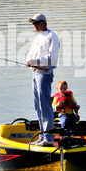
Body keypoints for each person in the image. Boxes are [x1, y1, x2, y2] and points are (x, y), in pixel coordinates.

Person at [26, 13, 60, 146]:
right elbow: (30, 54)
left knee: (45, 105)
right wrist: (29, 61)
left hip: (44, 75)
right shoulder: (37, 38)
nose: (34, 25)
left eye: (36, 23)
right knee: (38, 106)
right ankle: (42, 136)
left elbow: (53, 59)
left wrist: (36, 61)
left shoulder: (52, 36)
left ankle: (49, 139)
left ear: (44, 23)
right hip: (35, 74)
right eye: (33, 23)